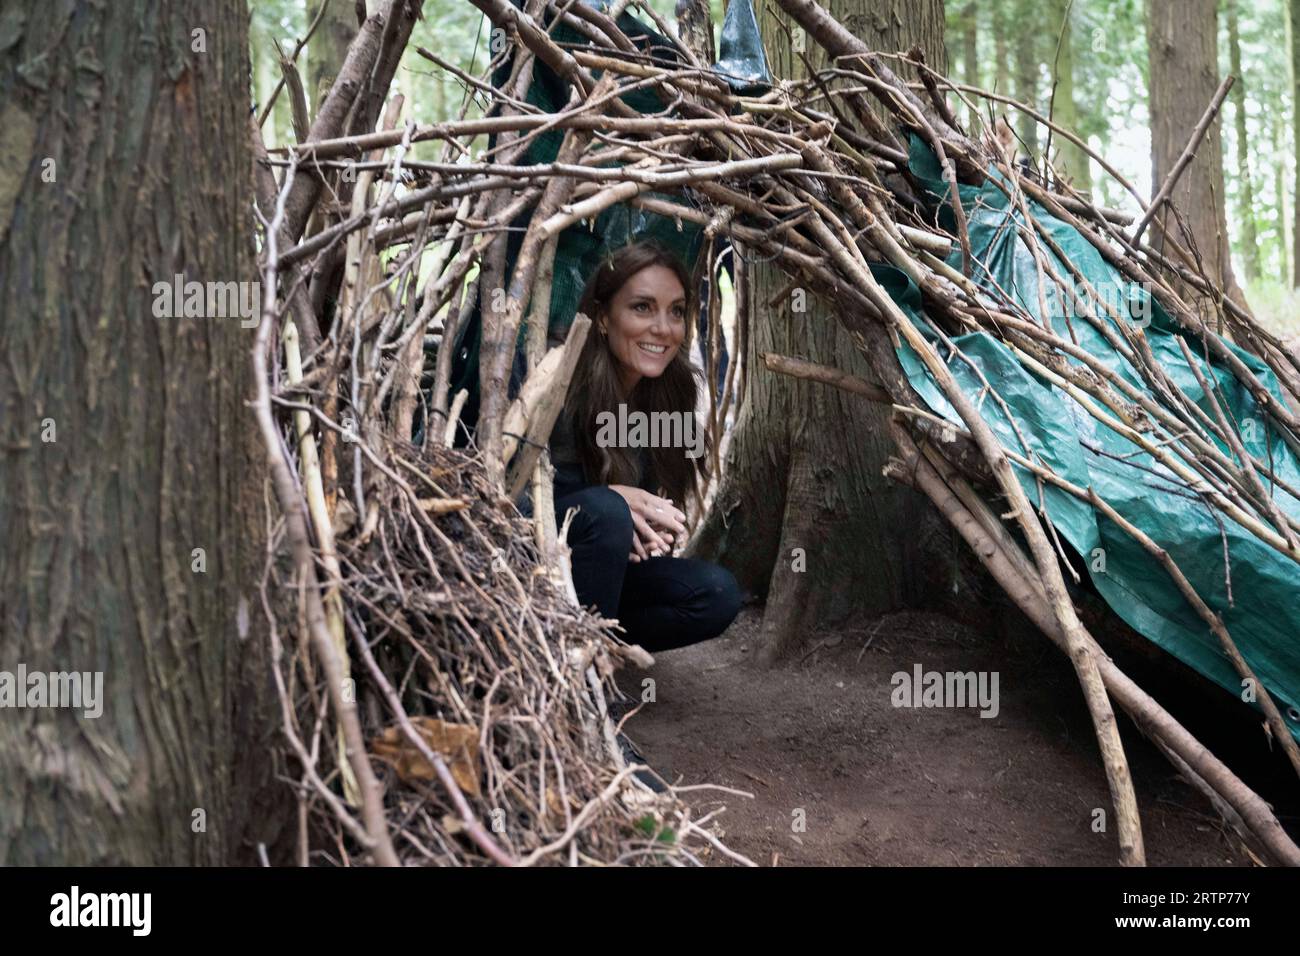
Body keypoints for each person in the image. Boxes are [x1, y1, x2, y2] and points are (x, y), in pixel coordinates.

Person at [544, 240, 743, 655]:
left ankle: (602, 645)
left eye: (675, 311)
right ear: (601, 317)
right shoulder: (561, 385)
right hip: (539, 566)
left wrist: (650, 533)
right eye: (642, 307)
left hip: (607, 574)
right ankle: (578, 671)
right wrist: (612, 504)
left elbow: (654, 500)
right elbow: (519, 508)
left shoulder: (672, 390)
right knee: (607, 513)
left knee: (718, 594)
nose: (663, 327)